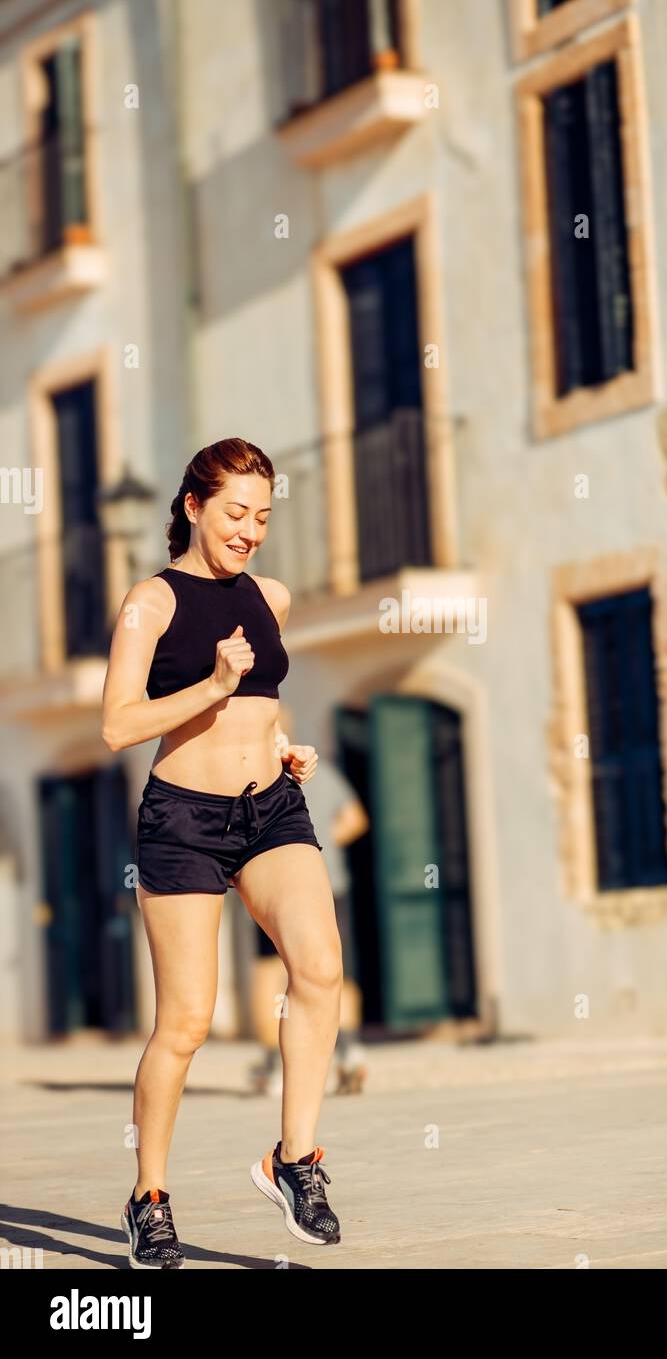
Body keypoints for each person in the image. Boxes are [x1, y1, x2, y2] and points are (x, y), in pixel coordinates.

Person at [102, 437, 342, 1269]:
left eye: (263, 517)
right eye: (235, 512)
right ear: (195, 506)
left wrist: (284, 746)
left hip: (270, 809)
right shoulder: (152, 602)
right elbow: (117, 724)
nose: (249, 530)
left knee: (319, 968)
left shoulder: (269, 596)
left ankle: (295, 1160)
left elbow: (264, 708)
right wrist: (207, 687)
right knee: (187, 1022)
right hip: (184, 822)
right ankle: (149, 1197)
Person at [248, 734, 369, 1097]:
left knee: (271, 971)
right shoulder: (322, 771)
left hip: (273, 884)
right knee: (335, 967)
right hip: (329, 881)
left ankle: (273, 1065)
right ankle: (348, 1053)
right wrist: (319, 842)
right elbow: (355, 819)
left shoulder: (253, 774)